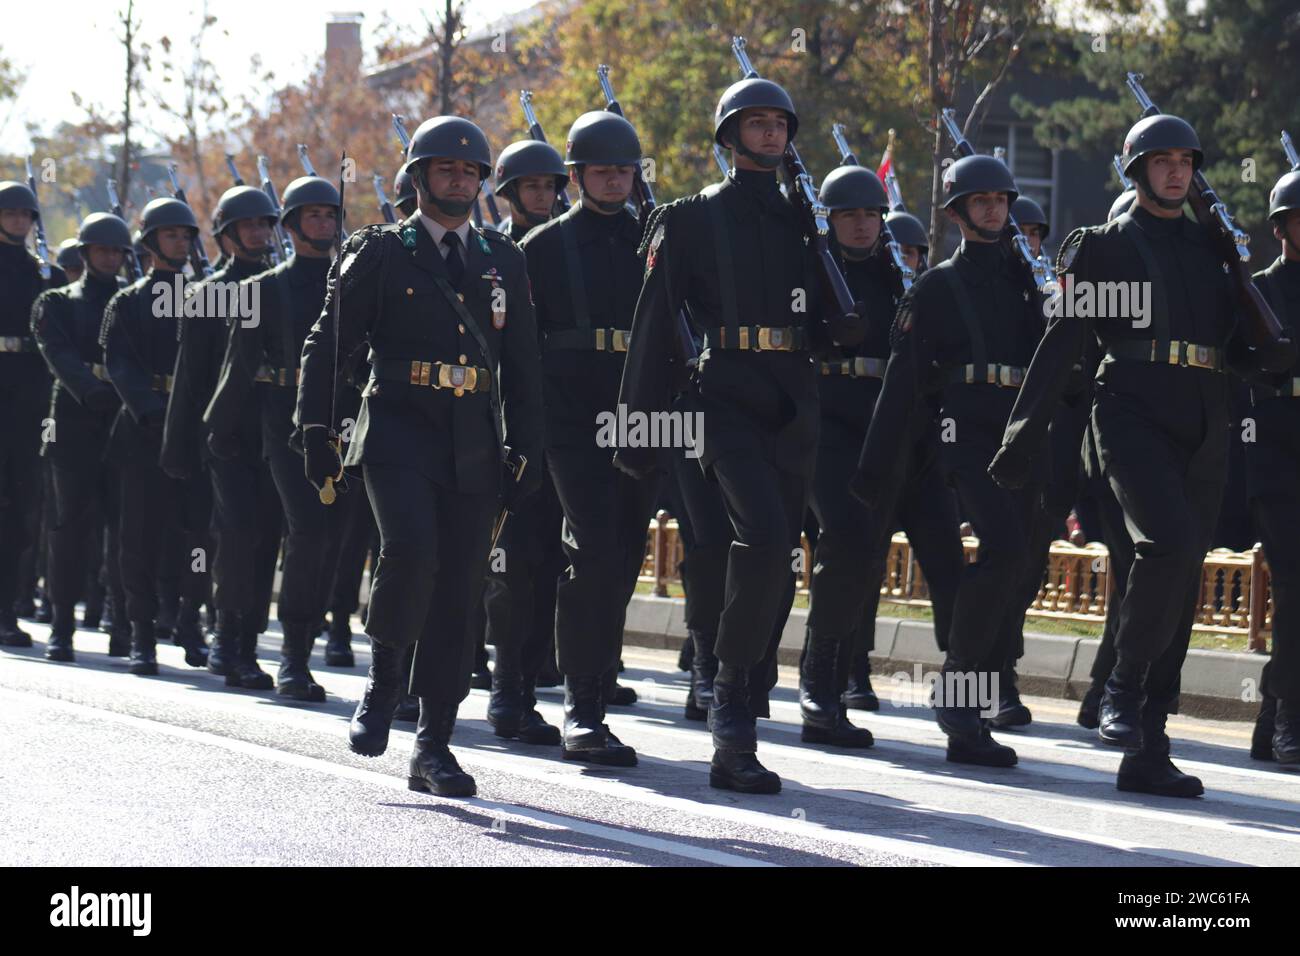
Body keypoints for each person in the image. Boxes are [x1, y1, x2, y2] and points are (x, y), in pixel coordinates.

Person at [989, 114, 1287, 796]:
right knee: (1168, 543)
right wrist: (1021, 434)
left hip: (1205, 421)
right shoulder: (1105, 247)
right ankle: (1120, 688)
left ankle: (1148, 745)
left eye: (1186, 160)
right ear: (1137, 170)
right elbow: (1064, 341)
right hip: (1129, 411)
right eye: (1163, 160)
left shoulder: (1213, 248)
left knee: (1182, 577)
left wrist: (1267, 346)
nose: (1177, 171)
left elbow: (1238, 347)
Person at [615, 77, 864, 793]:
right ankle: (729, 708)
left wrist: (838, 328)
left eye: (778, 125)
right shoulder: (688, 219)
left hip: (791, 399)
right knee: (758, 538)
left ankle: (738, 686)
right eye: (755, 125)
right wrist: (638, 423)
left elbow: (818, 318)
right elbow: (655, 323)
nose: (770, 135)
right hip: (716, 397)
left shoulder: (801, 220)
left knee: (778, 554)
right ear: (728, 138)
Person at [298, 115, 543, 797]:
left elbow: (524, 363)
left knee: (462, 589)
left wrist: (531, 447)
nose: (459, 179)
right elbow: (330, 342)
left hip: (473, 440)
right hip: (399, 430)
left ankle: (433, 744)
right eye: (445, 169)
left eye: (469, 171)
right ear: (418, 178)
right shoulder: (381, 251)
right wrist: (316, 429)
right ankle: (383, 683)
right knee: (411, 550)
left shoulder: (504, 258)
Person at [851, 154, 1046, 769]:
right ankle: (959, 698)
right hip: (966, 432)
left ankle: (971, 709)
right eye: (980, 201)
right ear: (958, 212)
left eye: (1001, 201)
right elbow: (905, 382)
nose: (994, 210)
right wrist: (875, 468)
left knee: (1020, 567)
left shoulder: (1029, 281)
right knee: (1006, 552)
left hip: (1022, 428)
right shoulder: (936, 286)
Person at [517, 111, 659, 765]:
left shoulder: (655, 241)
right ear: (574, 175)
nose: (613, 180)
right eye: (600, 170)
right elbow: (515, 350)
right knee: (596, 549)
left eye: (623, 170)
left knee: (626, 556)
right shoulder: (540, 249)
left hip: (642, 418)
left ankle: (598, 679)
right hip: (570, 422)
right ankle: (582, 708)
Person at [207, 175, 348, 701]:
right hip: (274, 425)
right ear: (289, 226)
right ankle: (269, 654)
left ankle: (296, 652)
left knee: (325, 539)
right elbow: (237, 370)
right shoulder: (258, 290)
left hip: (337, 424)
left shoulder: (352, 281)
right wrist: (221, 434)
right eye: (312, 215)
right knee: (283, 535)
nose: (324, 224)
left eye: (330, 215)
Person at [31, 213, 131, 661]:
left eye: (117, 251)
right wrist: (91, 391)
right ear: (86, 253)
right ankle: (62, 625)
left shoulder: (133, 301)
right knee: (69, 527)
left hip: (124, 421)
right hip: (72, 421)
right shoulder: (57, 301)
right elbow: (57, 353)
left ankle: (123, 622)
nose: (110, 257)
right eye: (103, 250)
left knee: (125, 528)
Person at [1245, 164, 1300, 768]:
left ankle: (1270, 710)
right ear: (1282, 227)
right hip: (1279, 455)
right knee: (1294, 589)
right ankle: (1290, 715)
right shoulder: (1257, 289)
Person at [0, 180, 67, 647]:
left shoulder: (44, 274)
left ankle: (6, 608)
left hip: (28, 398)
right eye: (11, 213)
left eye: (26, 215)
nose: (20, 221)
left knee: (22, 510)